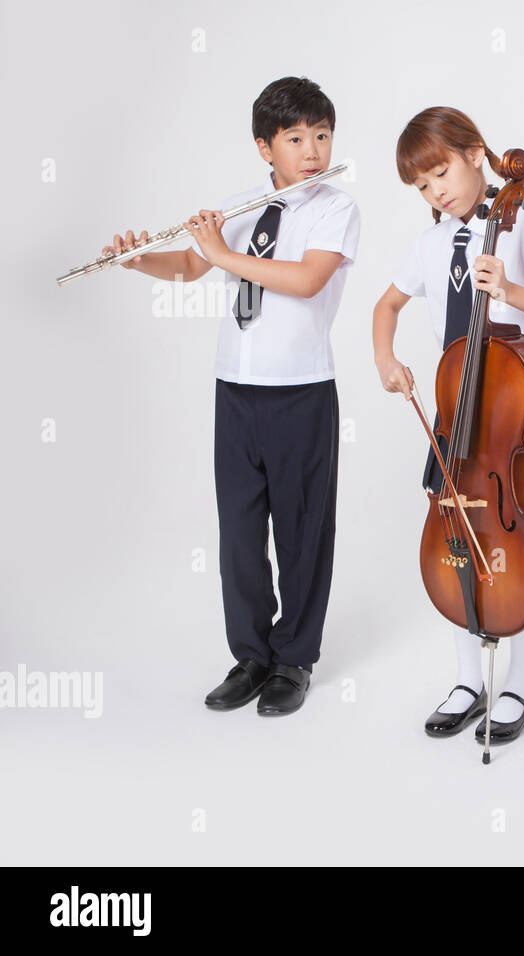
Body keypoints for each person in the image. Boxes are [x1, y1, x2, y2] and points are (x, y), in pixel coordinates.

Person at [106, 76, 360, 717]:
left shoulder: (335, 208)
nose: (312, 151)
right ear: (264, 146)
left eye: (322, 136)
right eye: (296, 138)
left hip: (300, 391)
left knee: (301, 531)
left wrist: (221, 251)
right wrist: (141, 260)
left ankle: (294, 660)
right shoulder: (241, 205)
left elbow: (305, 281)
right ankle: (251, 655)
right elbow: (193, 267)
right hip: (235, 390)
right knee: (240, 533)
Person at [372, 107, 524, 745]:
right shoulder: (432, 243)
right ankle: (468, 679)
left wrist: (512, 291)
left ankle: (518, 684)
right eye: (423, 185)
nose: (437, 191)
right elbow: (388, 305)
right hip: (452, 410)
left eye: (441, 172)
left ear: (476, 153)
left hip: (515, 420)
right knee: (456, 535)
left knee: (523, 546)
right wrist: (387, 358)